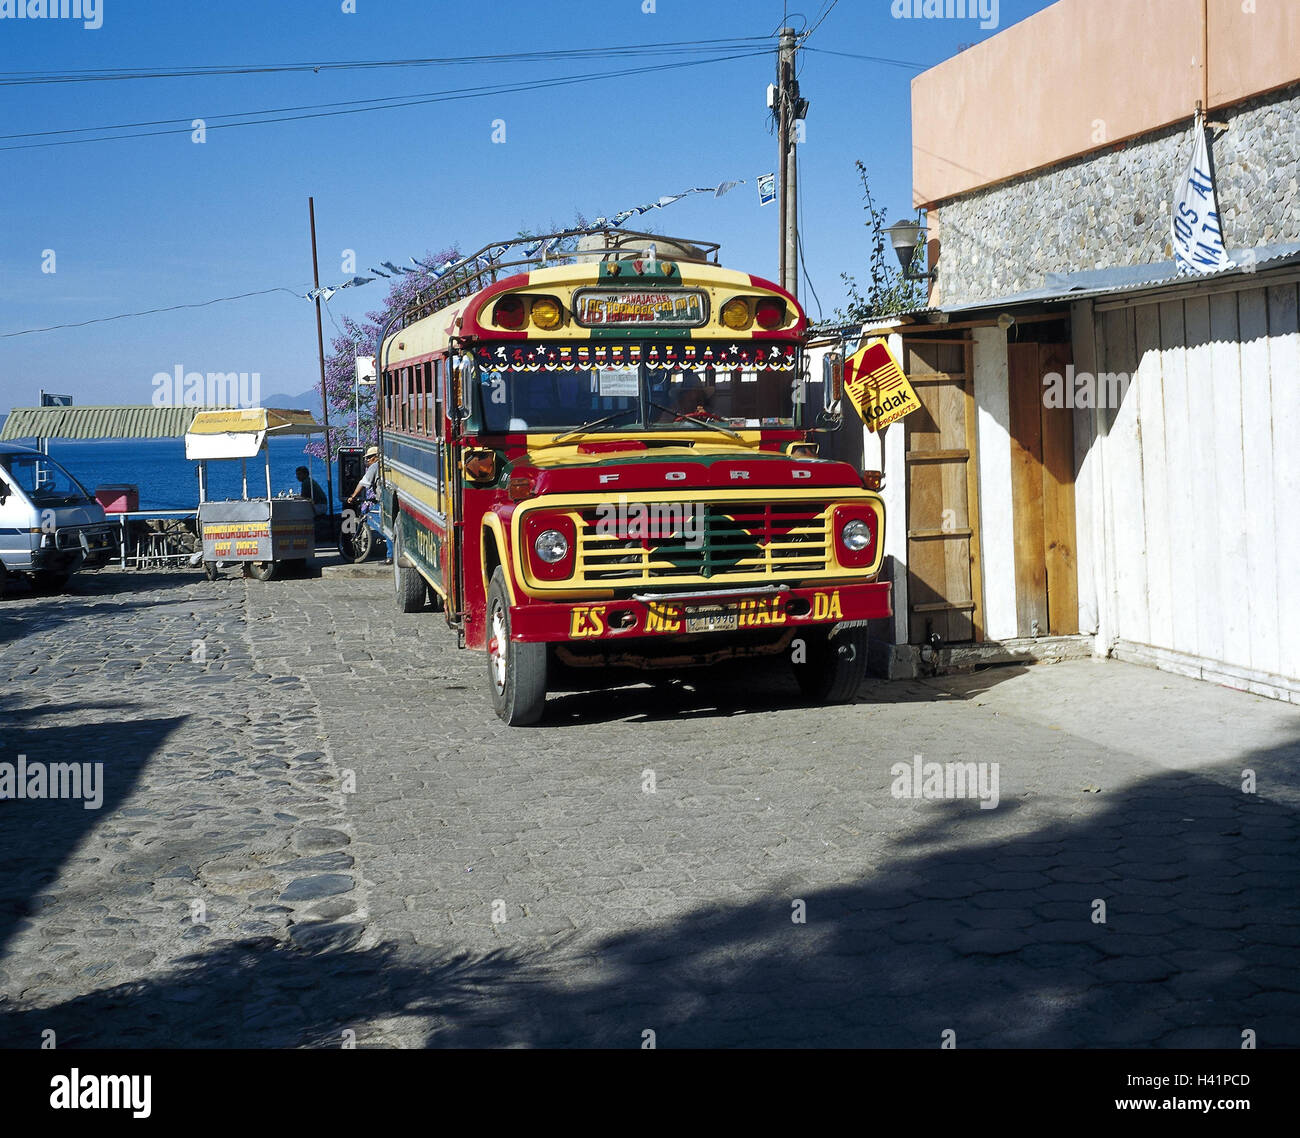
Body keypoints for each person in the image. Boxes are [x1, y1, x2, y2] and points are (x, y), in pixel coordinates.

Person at [347, 446, 392, 563]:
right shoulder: (386, 464)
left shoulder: (375, 466)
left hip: (384, 499)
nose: (367, 460)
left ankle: (390, 556)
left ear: (376, 457)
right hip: (389, 498)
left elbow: (363, 482)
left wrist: (353, 496)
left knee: (386, 527)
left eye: (369, 457)